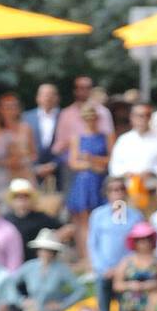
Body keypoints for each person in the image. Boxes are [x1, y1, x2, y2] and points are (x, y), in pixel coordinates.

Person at [88, 176, 141, 311]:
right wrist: (102, 268)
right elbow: (93, 244)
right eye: (113, 190)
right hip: (104, 272)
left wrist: (122, 269)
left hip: (126, 272)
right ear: (107, 193)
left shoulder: (135, 216)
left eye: (120, 189)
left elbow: (137, 246)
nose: (117, 194)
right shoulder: (98, 215)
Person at [64, 104, 110, 262]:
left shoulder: (106, 136)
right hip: (84, 182)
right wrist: (91, 165)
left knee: (103, 217)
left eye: (93, 117)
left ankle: (101, 254)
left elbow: (109, 159)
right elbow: (73, 162)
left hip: (100, 182)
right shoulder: (77, 138)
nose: (90, 120)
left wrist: (92, 159)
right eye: (87, 117)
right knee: (83, 222)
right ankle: (86, 258)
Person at [17, 229, 83, 311]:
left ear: (54, 252)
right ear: (38, 250)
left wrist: (63, 304)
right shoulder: (29, 267)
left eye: (48, 250)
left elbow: (80, 290)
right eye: (43, 249)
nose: (45, 253)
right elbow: (10, 285)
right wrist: (21, 300)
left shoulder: (62, 269)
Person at [5, 179, 66, 261]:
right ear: (12, 200)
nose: (22, 200)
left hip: (36, 264)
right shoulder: (6, 220)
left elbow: (67, 228)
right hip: (13, 263)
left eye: (26, 196)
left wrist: (52, 240)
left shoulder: (41, 218)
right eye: (18, 196)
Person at [112, 222, 157, 311]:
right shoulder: (126, 261)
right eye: (140, 240)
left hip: (153, 305)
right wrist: (130, 285)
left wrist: (151, 285)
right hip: (130, 307)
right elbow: (116, 285)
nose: (144, 243)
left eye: (147, 239)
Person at [23, 83, 64, 190]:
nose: (48, 98)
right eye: (45, 94)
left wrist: (54, 164)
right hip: (32, 171)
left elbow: (68, 143)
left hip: (59, 172)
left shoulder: (64, 117)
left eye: (51, 94)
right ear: (38, 97)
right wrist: (34, 167)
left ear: (57, 98)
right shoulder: (26, 118)